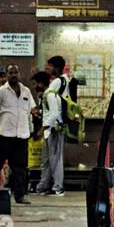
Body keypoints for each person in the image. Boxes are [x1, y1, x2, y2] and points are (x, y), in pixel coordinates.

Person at [0, 63, 37, 205]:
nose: (13, 75)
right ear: (6, 75)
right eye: (10, 73)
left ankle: (20, 196)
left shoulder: (26, 91)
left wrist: (32, 128)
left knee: (20, 168)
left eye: (15, 72)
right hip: (5, 134)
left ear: (19, 74)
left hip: (22, 136)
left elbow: (31, 110)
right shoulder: (0, 92)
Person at [36, 55, 69, 197]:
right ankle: (45, 185)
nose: (46, 68)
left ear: (56, 67)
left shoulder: (57, 82)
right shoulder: (64, 80)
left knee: (55, 158)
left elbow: (54, 110)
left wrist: (44, 126)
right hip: (52, 126)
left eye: (49, 65)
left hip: (54, 126)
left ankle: (57, 187)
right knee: (48, 158)